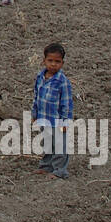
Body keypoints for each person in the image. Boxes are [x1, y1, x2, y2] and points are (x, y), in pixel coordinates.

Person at [33, 42, 73, 179]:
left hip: (58, 121)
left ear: (62, 63)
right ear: (44, 61)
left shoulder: (63, 82)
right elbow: (36, 97)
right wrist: (35, 114)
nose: (53, 64)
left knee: (60, 146)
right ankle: (46, 166)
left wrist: (65, 122)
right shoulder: (40, 78)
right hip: (44, 118)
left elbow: (66, 104)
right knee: (48, 143)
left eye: (57, 61)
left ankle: (59, 170)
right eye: (50, 60)